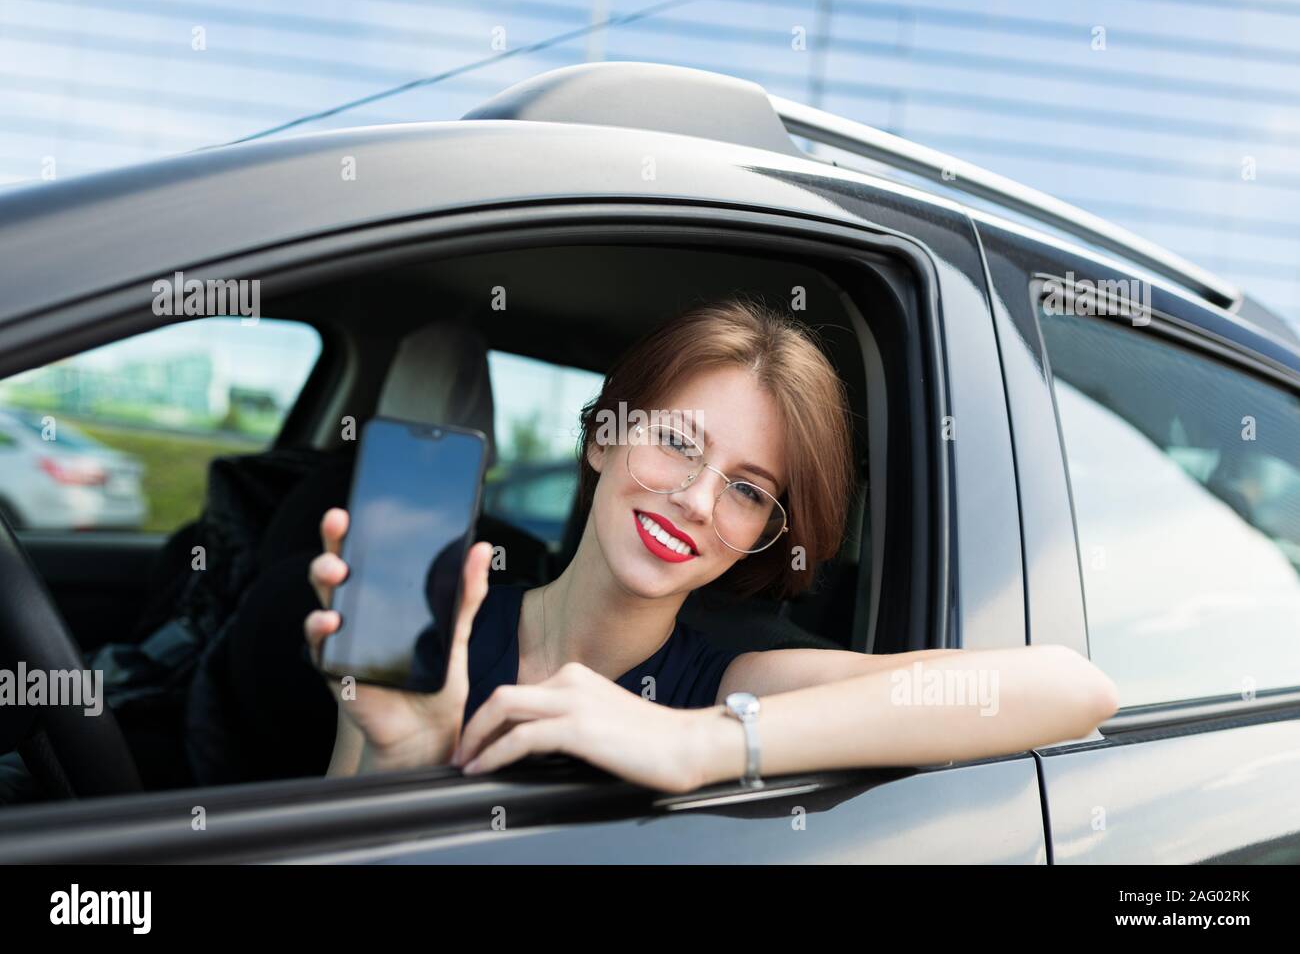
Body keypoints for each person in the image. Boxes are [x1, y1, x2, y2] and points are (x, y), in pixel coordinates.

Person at [304, 297, 1120, 793]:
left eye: (747, 489)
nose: (695, 500)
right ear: (603, 438)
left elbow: (1070, 686)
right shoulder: (430, 637)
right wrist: (406, 758)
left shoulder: (732, 686)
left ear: (761, 537)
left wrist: (696, 741)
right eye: (677, 443)